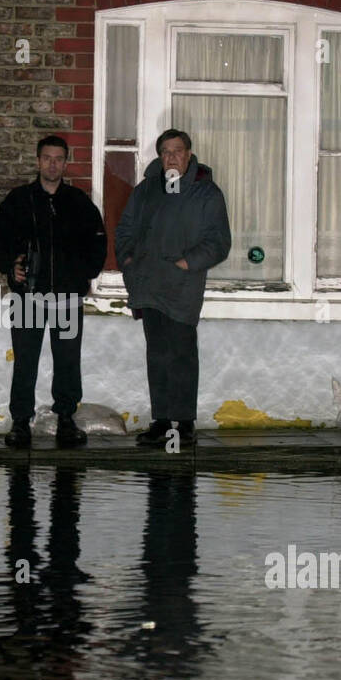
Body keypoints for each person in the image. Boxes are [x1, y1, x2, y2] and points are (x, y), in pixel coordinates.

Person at [115, 129, 231, 447]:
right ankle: (162, 421)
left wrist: (186, 263)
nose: (171, 157)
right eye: (165, 152)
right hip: (149, 284)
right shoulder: (146, 190)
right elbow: (125, 229)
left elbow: (219, 242)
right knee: (157, 354)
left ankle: (183, 425)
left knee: (181, 355)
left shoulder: (206, 193)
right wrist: (128, 261)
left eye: (177, 151)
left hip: (182, 287)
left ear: (189, 154)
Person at [0, 135, 107, 449]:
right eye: (47, 158)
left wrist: (82, 276)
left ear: (65, 163)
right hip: (28, 296)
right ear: (38, 160)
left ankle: (66, 420)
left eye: (59, 158)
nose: (53, 164)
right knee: (25, 360)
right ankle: (20, 423)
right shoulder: (18, 200)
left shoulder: (79, 203)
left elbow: (98, 243)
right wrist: (10, 266)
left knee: (68, 360)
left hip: (67, 298)